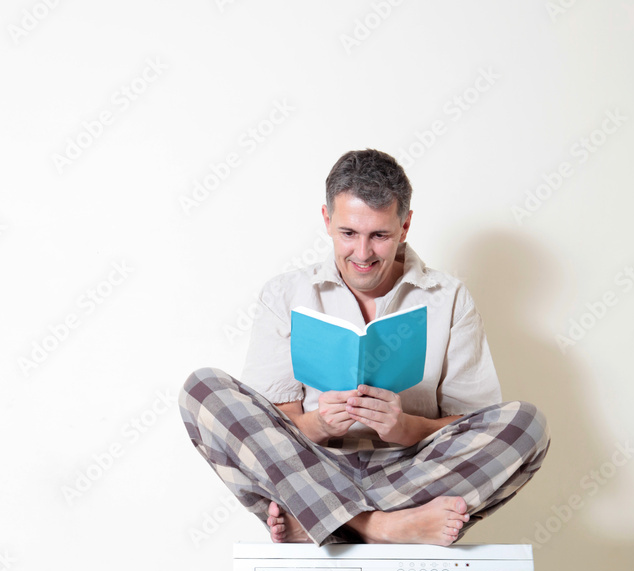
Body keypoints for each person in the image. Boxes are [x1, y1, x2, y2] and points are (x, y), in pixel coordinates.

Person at [179, 149, 549, 547]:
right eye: (348, 233)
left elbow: (470, 424)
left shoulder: (450, 297)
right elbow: (269, 429)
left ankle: (323, 521)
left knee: (528, 425)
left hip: (411, 474)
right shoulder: (285, 294)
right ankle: (379, 527)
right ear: (327, 220)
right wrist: (320, 424)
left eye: (379, 236)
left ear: (405, 226)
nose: (362, 253)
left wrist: (405, 427)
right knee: (202, 389)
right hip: (311, 469)